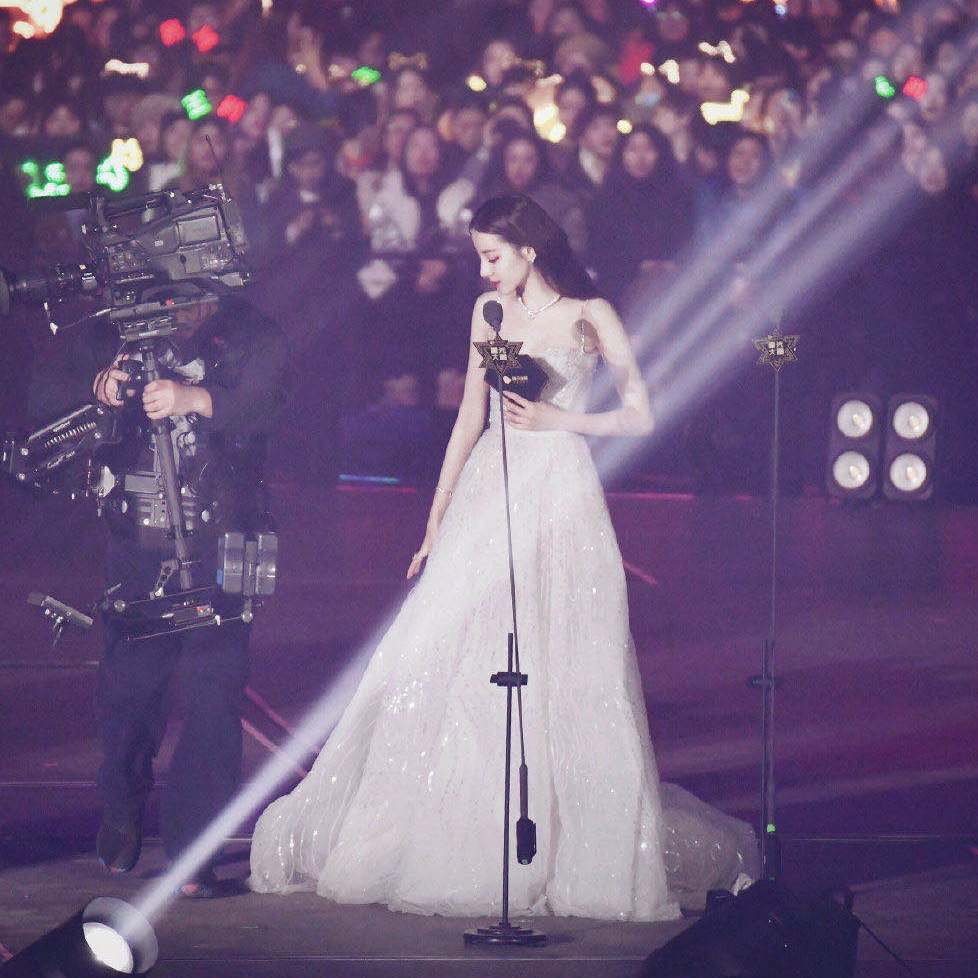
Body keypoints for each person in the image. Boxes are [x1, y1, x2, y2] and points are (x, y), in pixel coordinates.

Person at [250, 194, 755, 917]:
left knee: (564, 655)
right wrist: (436, 520)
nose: (485, 272)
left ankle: (566, 840)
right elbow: (468, 416)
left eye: (493, 256)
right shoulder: (488, 315)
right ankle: (460, 831)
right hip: (491, 487)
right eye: (480, 258)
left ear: (529, 249)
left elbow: (641, 415)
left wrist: (559, 419)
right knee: (453, 652)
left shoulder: (590, 314)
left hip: (561, 486)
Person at [88, 294, 288, 898]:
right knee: (129, 694)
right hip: (139, 542)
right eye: (172, 298)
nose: (182, 308)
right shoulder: (125, 323)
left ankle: (192, 850)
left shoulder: (254, 332)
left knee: (213, 699)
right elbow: (56, 391)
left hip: (224, 538)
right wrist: (102, 387)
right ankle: (122, 804)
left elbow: (269, 408)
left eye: (195, 296)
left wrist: (196, 399)